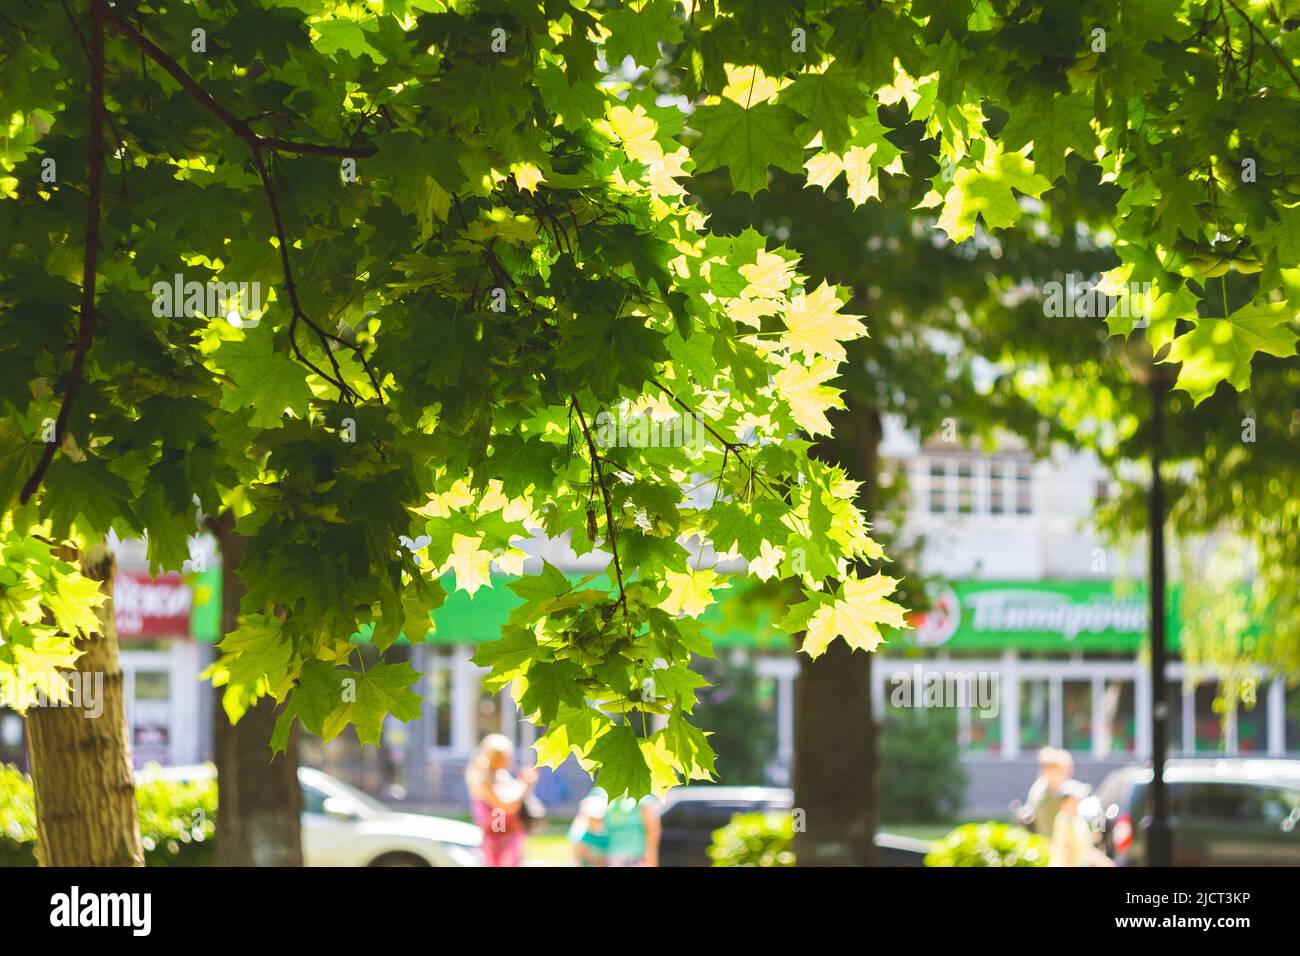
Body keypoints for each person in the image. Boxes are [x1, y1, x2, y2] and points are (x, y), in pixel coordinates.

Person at [465, 734, 537, 867]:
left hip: (509, 836)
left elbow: (513, 796)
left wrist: (523, 783)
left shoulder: (500, 774)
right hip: (497, 841)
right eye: (505, 756)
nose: (509, 760)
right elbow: (507, 806)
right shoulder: (482, 777)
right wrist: (524, 783)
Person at [567, 787, 661, 866]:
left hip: (634, 859)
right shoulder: (601, 791)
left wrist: (651, 861)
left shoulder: (639, 792)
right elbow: (584, 820)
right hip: (608, 859)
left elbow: (653, 829)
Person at [1049, 780, 1115, 867]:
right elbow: (1068, 853)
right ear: (1064, 803)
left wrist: (1103, 861)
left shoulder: (1077, 819)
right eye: (1073, 800)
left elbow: (1085, 847)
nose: (1077, 803)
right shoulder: (1065, 822)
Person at [1022, 747, 1074, 838]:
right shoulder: (1043, 795)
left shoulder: (1059, 790)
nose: (1067, 773)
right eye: (1063, 770)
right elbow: (1047, 831)